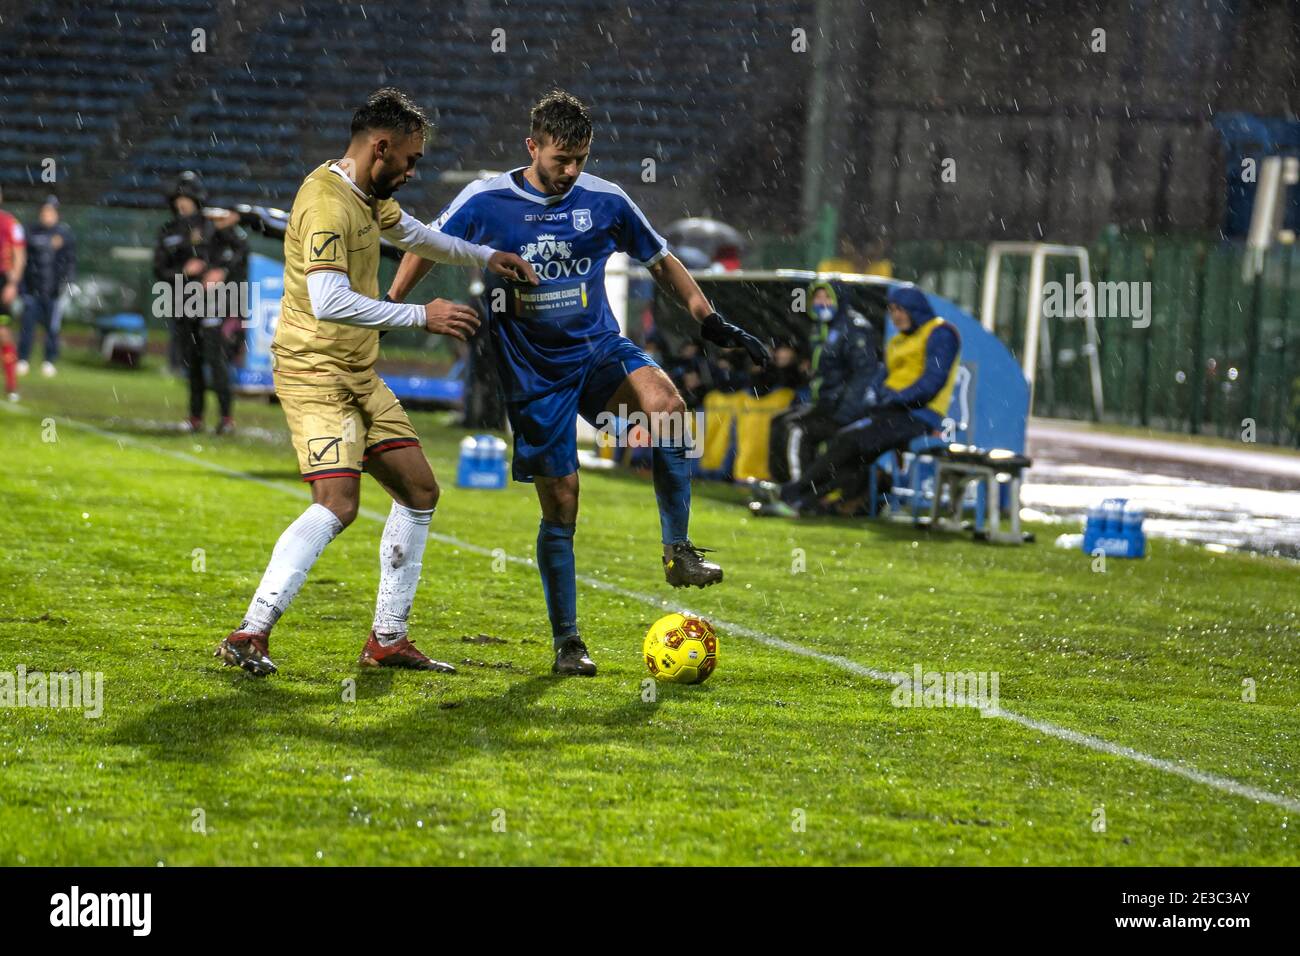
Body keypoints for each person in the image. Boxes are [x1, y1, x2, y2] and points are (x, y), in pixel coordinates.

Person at [388, 89, 771, 677]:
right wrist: (392, 305)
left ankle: (678, 551)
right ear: (532, 147)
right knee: (563, 501)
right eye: (560, 159)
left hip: (597, 352)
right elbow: (426, 246)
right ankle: (568, 641)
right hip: (532, 374)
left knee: (668, 408)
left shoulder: (606, 200)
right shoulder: (486, 199)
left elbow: (661, 259)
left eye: (580, 159)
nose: (570, 171)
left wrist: (708, 317)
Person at [215, 88, 538, 677]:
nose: (413, 172)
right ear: (381, 147)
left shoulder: (367, 193)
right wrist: (422, 315)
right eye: (410, 160)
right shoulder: (327, 204)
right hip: (314, 372)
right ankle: (250, 632)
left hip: (357, 371)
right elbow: (328, 300)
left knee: (419, 491)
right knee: (337, 505)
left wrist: (486, 255)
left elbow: (416, 235)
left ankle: (387, 639)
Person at [754, 285, 960, 516]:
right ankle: (803, 501)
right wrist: (877, 396)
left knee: (848, 443)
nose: (895, 315)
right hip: (890, 412)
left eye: (900, 309)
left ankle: (794, 495)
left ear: (915, 308)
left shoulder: (941, 333)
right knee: (848, 450)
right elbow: (880, 377)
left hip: (919, 415)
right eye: (892, 310)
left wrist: (893, 398)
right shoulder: (898, 341)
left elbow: (932, 381)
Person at [152, 171, 248, 433]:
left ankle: (226, 418)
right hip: (183, 303)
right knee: (192, 362)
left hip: (213, 303)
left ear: (197, 199)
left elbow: (240, 249)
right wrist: (183, 272)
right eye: (178, 198)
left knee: (216, 360)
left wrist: (221, 271)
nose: (182, 203)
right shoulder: (168, 231)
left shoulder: (213, 224)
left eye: (186, 198)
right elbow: (159, 269)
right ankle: (195, 418)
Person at [767, 280, 880, 483]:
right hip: (825, 403)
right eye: (817, 298)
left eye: (827, 297)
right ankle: (782, 484)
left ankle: (800, 490)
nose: (821, 302)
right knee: (778, 422)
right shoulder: (821, 327)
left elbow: (864, 375)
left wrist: (845, 414)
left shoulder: (854, 328)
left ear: (839, 299)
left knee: (798, 431)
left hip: (844, 409)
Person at [18, 196, 76, 379]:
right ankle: (23, 359)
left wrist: (67, 283)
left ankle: (49, 361)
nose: (47, 215)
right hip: (32, 289)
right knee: (27, 326)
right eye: (44, 212)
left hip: (53, 291)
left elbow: (70, 262)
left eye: (51, 212)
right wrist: (22, 286)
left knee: (52, 328)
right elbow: (23, 259)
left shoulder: (64, 235)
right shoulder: (30, 232)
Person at [0, 185, 27, 401]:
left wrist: (13, 284)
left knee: (2, 331)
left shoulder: (10, 223)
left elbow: (20, 255)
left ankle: (11, 385)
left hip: (2, 281)